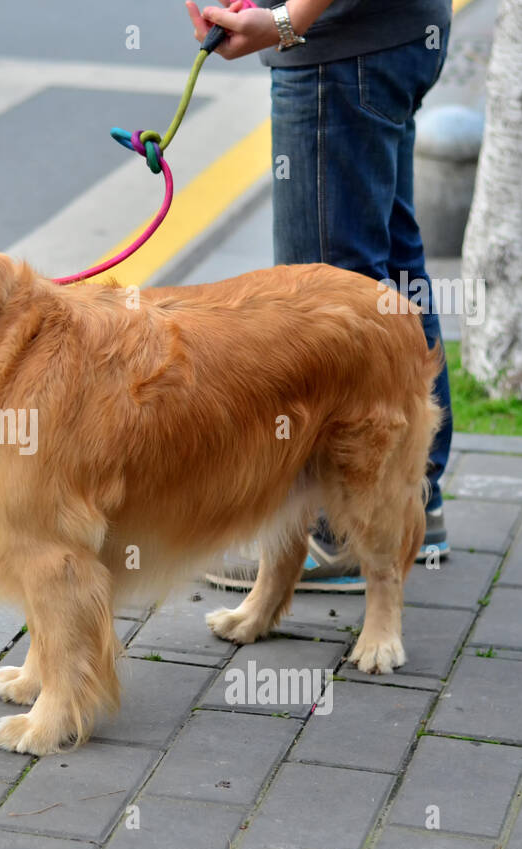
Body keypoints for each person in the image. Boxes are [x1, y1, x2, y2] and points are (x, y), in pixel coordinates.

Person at [189, 0, 455, 592]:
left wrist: (288, 21)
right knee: (385, 269)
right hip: (387, 36)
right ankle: (410, 494)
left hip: (342, 48)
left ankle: (339, 533)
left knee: (328, 291)